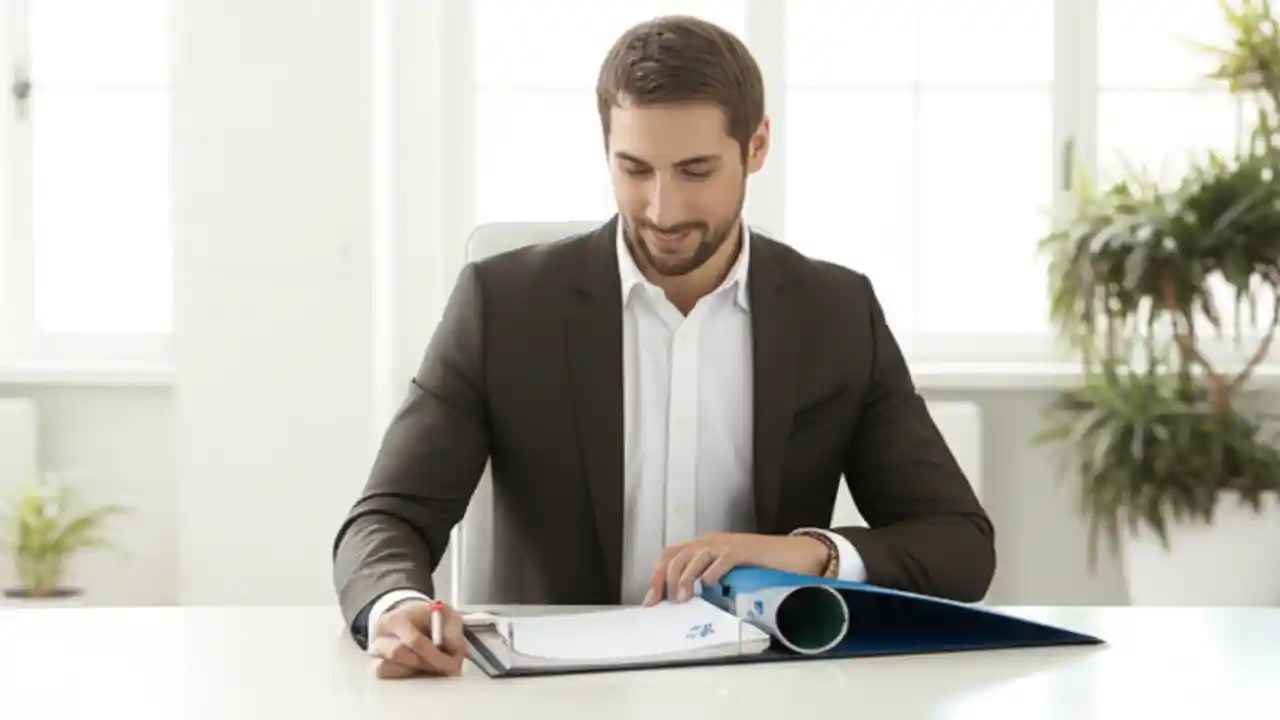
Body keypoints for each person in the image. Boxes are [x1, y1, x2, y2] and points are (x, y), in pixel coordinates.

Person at [332, 14, 995, 680]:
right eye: (635, 169)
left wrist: (807, 554)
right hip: (553, 693)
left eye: (696, 170)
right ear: (607, 150)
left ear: (757, 147)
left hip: (763, 689)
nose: (662, 210)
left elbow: (959, 545)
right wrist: (397, 605)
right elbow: (387, 518)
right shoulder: (503, 306)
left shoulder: (836, 313)